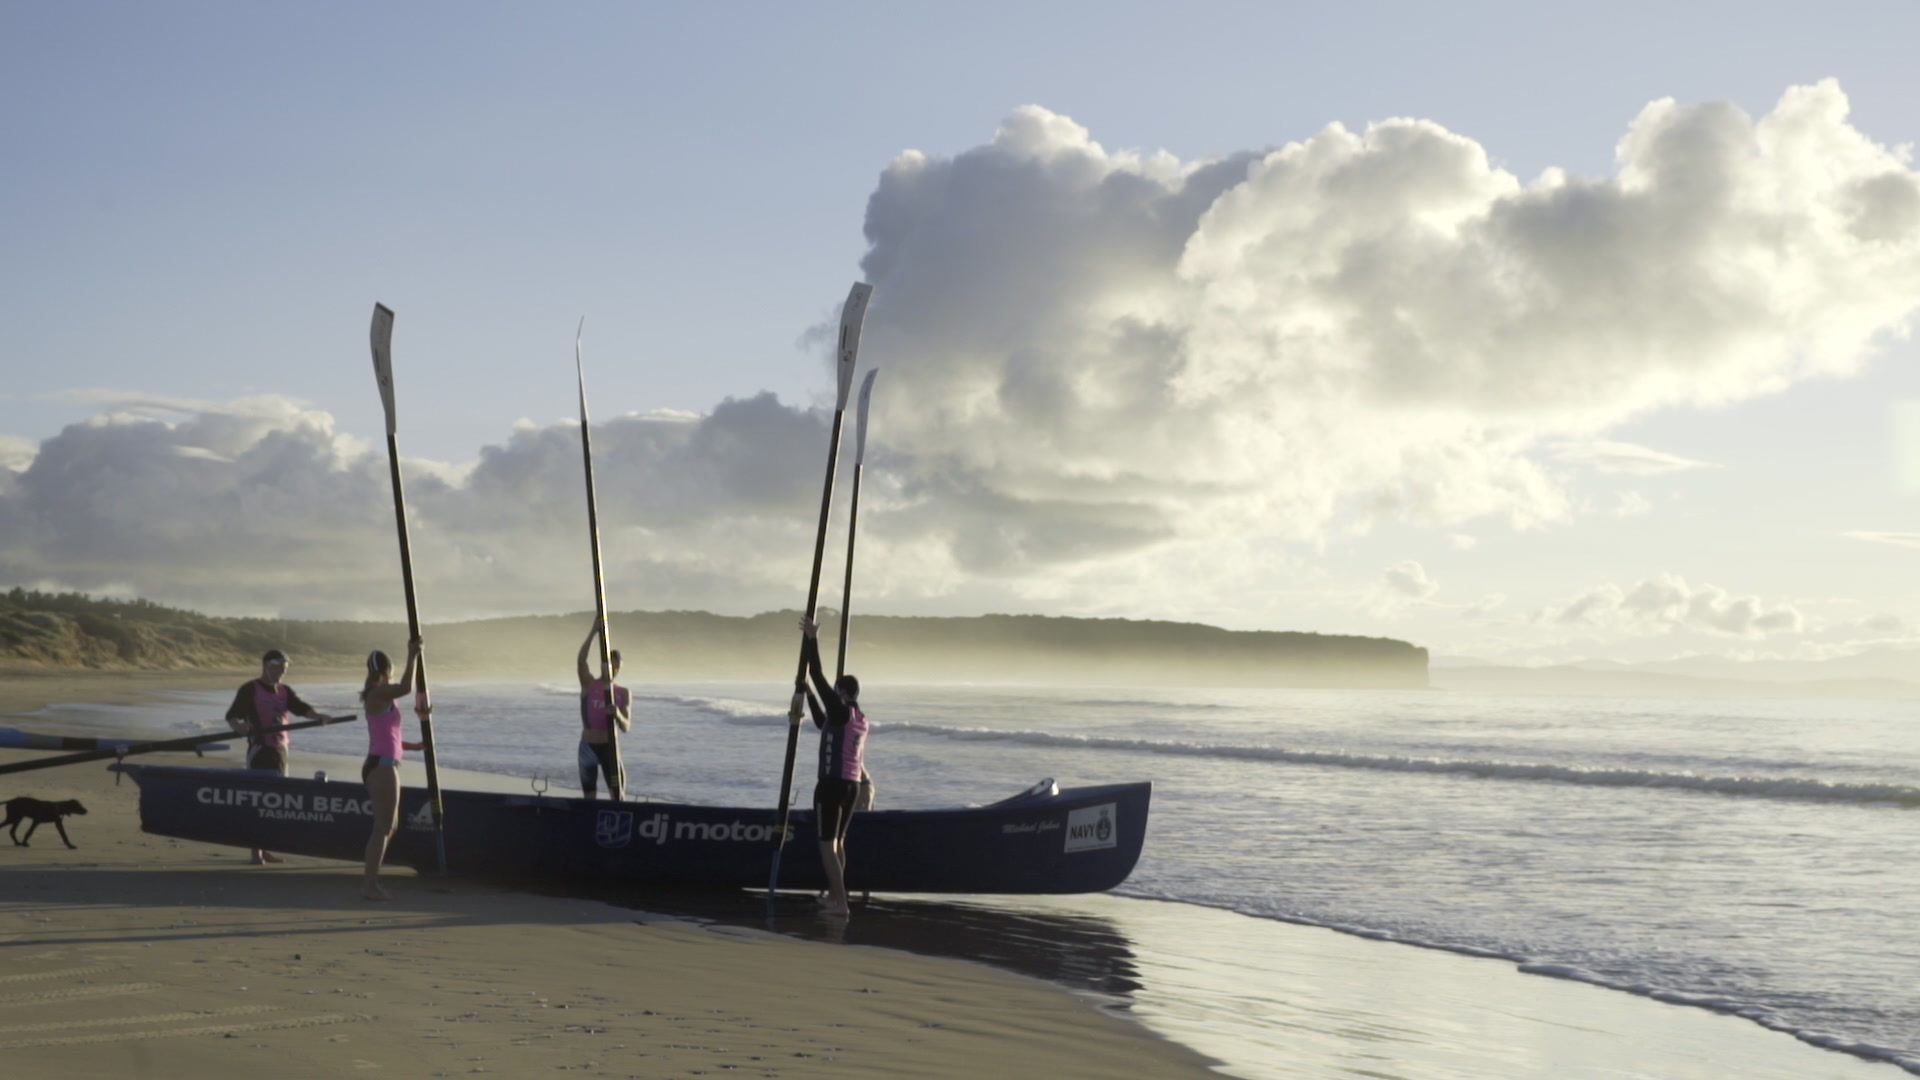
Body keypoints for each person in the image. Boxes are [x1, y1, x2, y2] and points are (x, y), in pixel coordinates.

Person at [224, 648, 331, 865]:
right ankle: (256, 852)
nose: (281, 673)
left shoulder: (284, 691)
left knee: (275, 802)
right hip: (260, 750)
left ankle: (267, 848)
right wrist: (240, 726)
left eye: (284, 670)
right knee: (259, 801)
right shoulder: (250, 689)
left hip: (280, 750)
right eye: (278, 669)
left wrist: (318, 716)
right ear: (266, 666)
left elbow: (300, 708)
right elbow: (232, 715)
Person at [796, 616, 869, 918]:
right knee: (837, 844)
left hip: (832, 785)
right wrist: (809, 695)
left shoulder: (840, 709)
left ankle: (840, 903)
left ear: (842, 692)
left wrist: (812, 638)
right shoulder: (857, 718)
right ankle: (837, 898)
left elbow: (816, 672)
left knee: (827, 846)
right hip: (851, 786)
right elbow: (820, 723)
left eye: (834, 692)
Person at [360, 640, 425, 901]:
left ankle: (372, 881)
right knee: (383, 827)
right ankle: (369, 885)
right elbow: (406, 688)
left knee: (391, 826)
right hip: (381, 767)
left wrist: (414, 746)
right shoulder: (378, 693)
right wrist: (413, 656)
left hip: (386, 762)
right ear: (388, 669)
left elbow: (389, 736)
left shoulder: (383, 695)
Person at [576, 618, 632, 800]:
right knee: (589, 796)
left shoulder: (623, 693)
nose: (615, 669)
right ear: (605, 664)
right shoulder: (589, 685)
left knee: (618, 797)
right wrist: (593, 631)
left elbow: (626, 727)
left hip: (610, 748)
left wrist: (617, 714)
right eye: (612, 664)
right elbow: (581, 661)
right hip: (588, 747)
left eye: (618, 666)